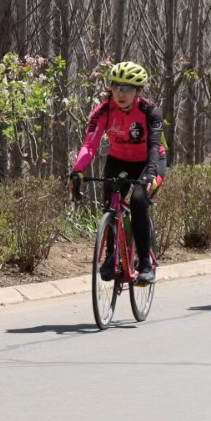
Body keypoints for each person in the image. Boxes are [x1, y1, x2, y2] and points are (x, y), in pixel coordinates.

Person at [69, 61, 166, 285]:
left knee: (139, 201)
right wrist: (77, 171)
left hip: (150, 161)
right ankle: (112, 255)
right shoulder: (103, 111)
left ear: (139, 91)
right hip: (119, 160)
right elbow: (89, 145)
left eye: (128, 88)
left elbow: (153, 145)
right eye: (116, 87)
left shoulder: (150, 111)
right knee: (111, 205)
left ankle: (144, 263)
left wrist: (150, 173)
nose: (121, 93)